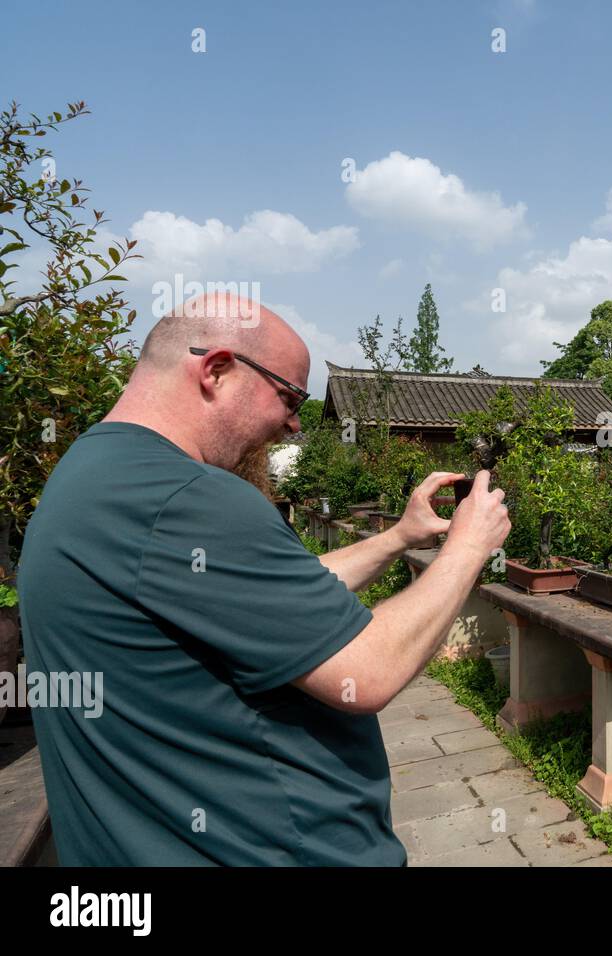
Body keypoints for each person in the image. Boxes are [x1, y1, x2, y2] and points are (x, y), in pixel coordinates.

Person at [17, 293, 510, 865]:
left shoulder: (98, 472)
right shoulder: (191, 497)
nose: (294, 425)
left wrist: (400, 536)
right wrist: (469, 547)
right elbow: (369, 670)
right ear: (216, 370)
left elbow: (275, 594)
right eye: (289, 397)